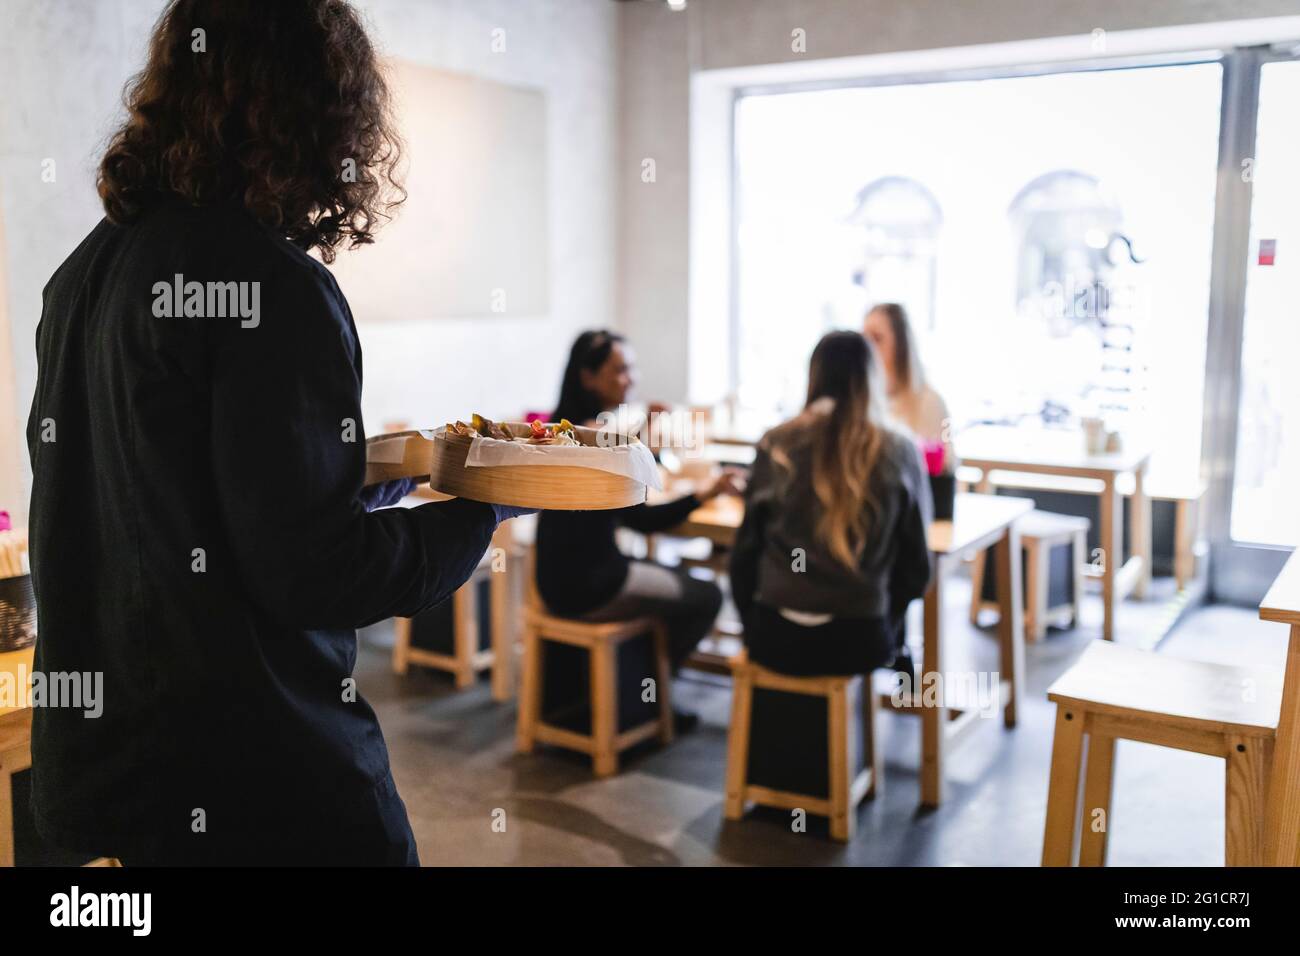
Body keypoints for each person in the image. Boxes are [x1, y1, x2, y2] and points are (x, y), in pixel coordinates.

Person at [25, 0, 523, 866]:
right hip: (260, 782)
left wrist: (350, 478)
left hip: (109, 782)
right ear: (320, 108)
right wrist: (480, 504)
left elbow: (164, 495)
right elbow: (315, 572)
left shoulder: (81, 278)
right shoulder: (273, 284)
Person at [534, 331, 738, 718]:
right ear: (588, 377)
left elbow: (618, 479)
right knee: (705, 595)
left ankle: (638, 688)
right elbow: (642, 520)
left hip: (552, 580)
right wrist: (705, 494)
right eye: (621, 369)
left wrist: (644, 433)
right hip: (595, 586)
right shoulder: (600, 439)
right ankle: (651, 696)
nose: (633, 377)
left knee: (668, 577)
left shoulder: (565, 429)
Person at [729, 331, 932, 677]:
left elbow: (745, 555)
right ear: (872, 379)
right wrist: (888, 621)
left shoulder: (776, 443)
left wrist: (752, 624)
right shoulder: (898, 450)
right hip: (859, 639)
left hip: (775, 637)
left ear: (815, 375)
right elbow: (916, 569)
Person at [863, 303, 951, 448]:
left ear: (901, 345)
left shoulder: (930, 402)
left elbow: (944, 462)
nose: (868, 347)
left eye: (877, 338)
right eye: (864, 339)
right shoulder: (863, 399)